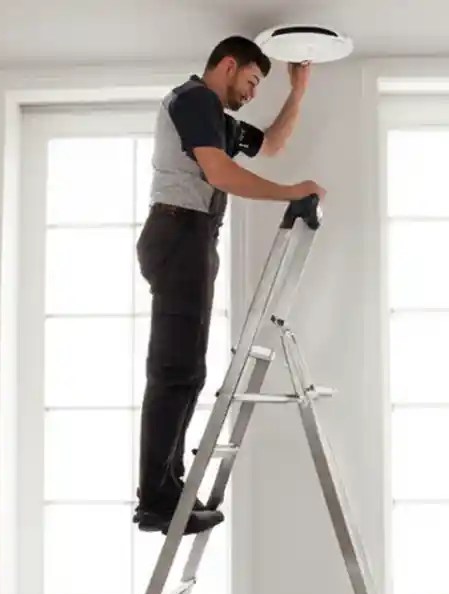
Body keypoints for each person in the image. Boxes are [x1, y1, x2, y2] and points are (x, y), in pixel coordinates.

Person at [134, 36, 326, 535]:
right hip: (180, 232)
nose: (253, 92)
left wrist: (297, 90)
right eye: (252, 81)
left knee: (186, 371)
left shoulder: (215, 119)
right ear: (227, 65)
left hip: (190, 235)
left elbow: (271, 144)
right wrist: (291, 192)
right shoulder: (195, 99)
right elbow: (219, 173)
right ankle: (156, 500)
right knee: (175, 371)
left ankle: (169, 491)